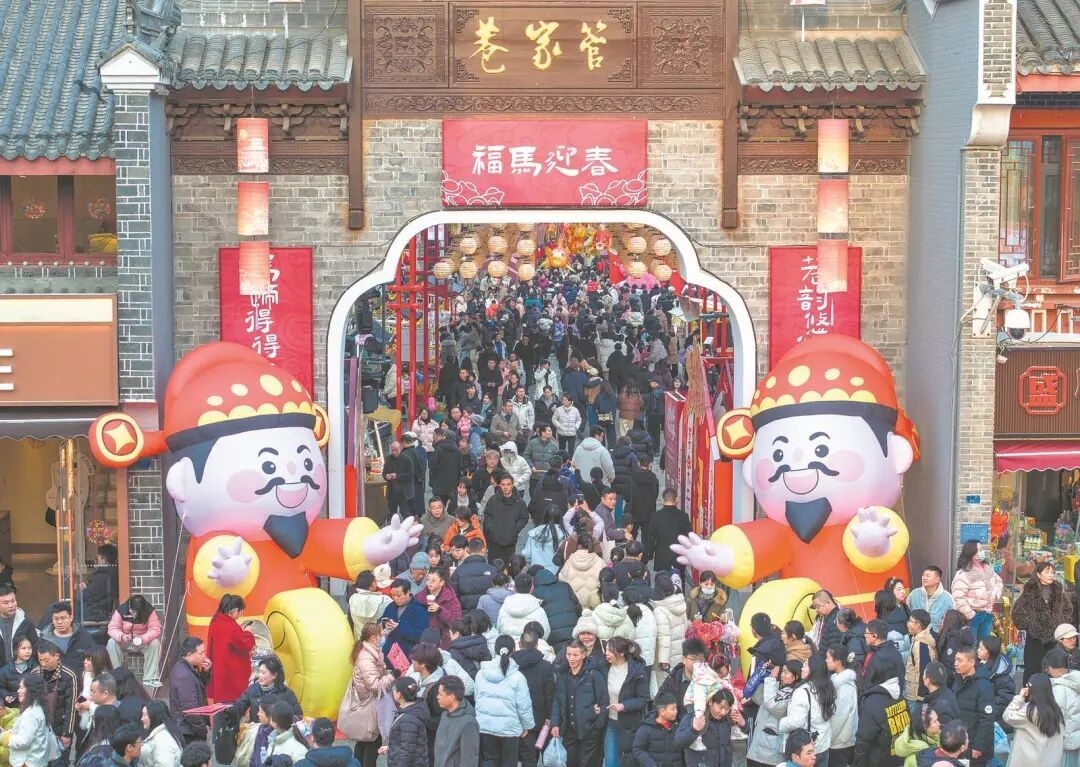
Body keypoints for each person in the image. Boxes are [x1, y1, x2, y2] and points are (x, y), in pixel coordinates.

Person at [339, 623, 394, 767]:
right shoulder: (367, 657)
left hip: (367, 703)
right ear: (373, 638)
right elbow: (375, 685)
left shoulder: (370, 652)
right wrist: (392, 676)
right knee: (372, 742)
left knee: (363, 742)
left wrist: (387, 673)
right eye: (380, 635)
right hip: (370, 704)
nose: (382, 638)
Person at [474, 635, 534, 765]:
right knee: (509, 762)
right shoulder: (518, 677)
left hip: (486, 725)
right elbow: (524, 706)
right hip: (510, 728)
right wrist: (527, 725)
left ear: (494, 649)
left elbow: (477, 698)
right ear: (513, 650)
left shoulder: (481, 674)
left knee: (489, 760)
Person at [1013, 561, 1074, 684]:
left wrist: (1060, 624)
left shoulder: (1058, 590)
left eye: (1052, 572)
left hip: (1053, 638)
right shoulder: (1030, 591)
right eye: (1047, 572)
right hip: (1035, 638)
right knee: (1033, 669)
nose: (1051, 575)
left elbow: (1068, 609)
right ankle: (1030, 693)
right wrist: (1030, 625)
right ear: (1039, 574)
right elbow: (1018, 612)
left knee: (1054, 669)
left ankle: (1052, 694)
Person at [551, 639, 608, 767]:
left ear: (584, 655)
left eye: (575, 655)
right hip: (569, 732)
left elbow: (604, 702)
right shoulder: (563, 675)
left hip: (590, 732)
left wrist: (597, 727)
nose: (571, 658)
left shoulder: (594, 674)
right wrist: (555, 723)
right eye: (569, 654)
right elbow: (557, 701)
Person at [852, 656, 906, 767]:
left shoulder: (872, 703)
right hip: (899, 756)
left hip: (878, 760)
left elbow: (863, 740)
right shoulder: (901, 697)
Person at [603, 636, 650, 767]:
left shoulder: (636, 671)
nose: (606, 653)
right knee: (610, 761)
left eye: (610, 650)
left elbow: (644, 699)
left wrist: (624, 706)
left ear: (622, 653)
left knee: (627, 761)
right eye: (606, 649)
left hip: (629, 723)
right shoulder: (604, 667)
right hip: (610, 721)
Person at [512, 627, 554, 767]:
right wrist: (550, 716)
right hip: (540, 719)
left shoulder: (511, 665)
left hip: (516, 719)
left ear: (519, 644)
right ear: (537, 645)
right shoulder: (546, 666)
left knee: (524, 759)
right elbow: (550, 695)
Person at [31, 639, 78, 764]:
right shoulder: (35, 673)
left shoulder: (69, 676)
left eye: (46, 660)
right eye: (40, 660)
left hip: (59, 729)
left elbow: (71, 708)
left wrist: (67, 733)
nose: (43, 664)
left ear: (57, 656)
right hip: (39, 730)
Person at [1003, 672, 1064, 767]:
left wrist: (1019, 698)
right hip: (1051, 761)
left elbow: (1008, 716)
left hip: (1029, 761)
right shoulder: (1056, 710)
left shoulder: (1030, 711)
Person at [205, 594, 256, 704]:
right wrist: (248, 632)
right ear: (235, 611)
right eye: (240, 612)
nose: (240, 615)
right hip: (231, 675)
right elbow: (245, 644)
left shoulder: (216, 621)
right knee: (233, 704)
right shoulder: (231, 627)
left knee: (221, 705)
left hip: (219, 670)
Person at [747, 660, 799, 767]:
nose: (782, 675)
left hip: (770, 750)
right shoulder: (777, 686)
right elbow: (757, 698)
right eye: (782, 672)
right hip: (759, 742)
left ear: (796, 676)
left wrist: (771, 680)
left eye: (786, 672)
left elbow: (772, 705)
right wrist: (763, 675)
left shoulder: (794, 694)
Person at [949, 647, 993, 767]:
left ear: (972, 662)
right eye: (955, 660)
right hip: (958, 741)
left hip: (973, 745)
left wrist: (979, 746)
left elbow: (987, 719)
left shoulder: (984, 686)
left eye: (960, 660)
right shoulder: (957, 680)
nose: (956, 663)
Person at [674, 688, 741, 767]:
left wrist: (743, 724)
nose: (723, 712)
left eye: (727, 709)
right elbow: (678, 743)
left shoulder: (728, 719)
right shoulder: (694, 717)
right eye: (720, 707)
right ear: (710, 702)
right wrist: (694, 730)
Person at [105, 595, 162, 689]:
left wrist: (143, 638)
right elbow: (112, 628)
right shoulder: (121, 610)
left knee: (155, 643)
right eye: (132, 611)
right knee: (111, 642)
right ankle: (116, 676)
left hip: (142, 641)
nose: (134, 614)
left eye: (136, 612)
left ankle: (150, 678)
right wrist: (122, 636)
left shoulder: (149, 611)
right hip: (124, 641)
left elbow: (155, 629)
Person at [951, 540, 1002, 640]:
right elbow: (958, 597)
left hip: (987, 613)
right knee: (971, 645)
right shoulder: (964, 573)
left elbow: (998, 581)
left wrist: (995, 595)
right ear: (971, 552)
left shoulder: (988, 568)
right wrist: (971, 615)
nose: (982, 552)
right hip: (973, 616)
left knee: (984, 645)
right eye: (979, 550)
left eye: (982, 549)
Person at [2, 675, 57, 767]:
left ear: (31, 690)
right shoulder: (37, 708)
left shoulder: (31, 714)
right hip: (35, 761)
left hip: (27, 762)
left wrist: (4, 737)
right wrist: (7, 732)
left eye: (22, 688)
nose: (18, 691)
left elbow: (23, 741)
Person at [168, 638, 211, 746]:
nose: (204, 656)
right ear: (189, 654)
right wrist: (202, 730)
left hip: (189, 727)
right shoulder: (184, 675)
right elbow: (191, 709)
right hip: (188, 730)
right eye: (200, 653)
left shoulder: (189, 667)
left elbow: (199, 687)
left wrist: (205, 671)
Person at [232, 656, 301, 721]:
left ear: (274, 675)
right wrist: (230, 711)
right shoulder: (253, 689)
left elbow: (298, 716)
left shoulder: (286, 693)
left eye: (263, 673)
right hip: (255, 727)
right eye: (259, 672)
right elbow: (240, 706)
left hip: (277, 728)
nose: (260, 675)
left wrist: (279, 723)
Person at [652, 573, 689, 692]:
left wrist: (663, 661)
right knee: (677, 684)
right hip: (679, 651)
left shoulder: (660, 610)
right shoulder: (680, 604)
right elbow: (685, 627)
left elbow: (663, 637)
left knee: (665, 689)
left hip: (667, 656)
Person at [1042, 647, 1080, 767]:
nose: (1048, 672)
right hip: (1076, 739)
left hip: (1064, 742)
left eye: (1048, 669)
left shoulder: (1060, 689)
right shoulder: (1075, 681)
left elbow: (1054, 718)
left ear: (1056, 668)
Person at [382, 677, 430, 767]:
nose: (392, 692)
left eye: (394, 689)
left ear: (399, 694)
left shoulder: (408, 719)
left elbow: (407, 752)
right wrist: (390, 748)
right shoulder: (413, 710)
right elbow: (407, 742)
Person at [433, 676, 480, 767]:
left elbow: (469, 761)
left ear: (451, 697)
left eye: (440, 694)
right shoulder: (444, 715)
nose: (437, 697)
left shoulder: (469, 723)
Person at [483, 474, 530, 565]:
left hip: (510, 542)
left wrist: (515, 529)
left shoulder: (520, 503)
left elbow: (524, 518)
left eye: (508, 484)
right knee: (493, 567)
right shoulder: (493, 500)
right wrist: (491, 528)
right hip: (494, 541)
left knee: (508, 568)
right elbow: (487, 515)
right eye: (503, 484)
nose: (505, 487)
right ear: (499, 485)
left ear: (512, 485)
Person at [658, 639, 708, 720]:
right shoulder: (672, 681)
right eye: (693, 659)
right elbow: (658, 707)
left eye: (701, 659)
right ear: (684, 659)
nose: (698, 663)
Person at [381, 578, 430, 661]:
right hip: (389, 652)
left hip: (408, 655)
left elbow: (420, 635)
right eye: (393, 595)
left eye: (399, 595)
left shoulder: (420, 610)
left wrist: (398, 627)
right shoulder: (391, 606)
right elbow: (381, 621)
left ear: (408, 592)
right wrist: (385, 624)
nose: (395, 598)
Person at [630, 691, 682, 767]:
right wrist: (651, 764)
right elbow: (638, 750)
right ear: (662, 711)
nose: (676, 711)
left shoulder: (679, 726)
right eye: (673, 709)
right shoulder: (645, 728)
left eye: (676, 708)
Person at [416, 567, 463, 650]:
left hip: (444, 640)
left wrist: (440, 610)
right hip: (424, 639)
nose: (429, 583)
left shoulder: (450, 598)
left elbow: (456, 621)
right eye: (428, 579)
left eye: (433, 580)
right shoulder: (419, 597)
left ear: (442, 582)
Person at [41, 602, 95, 674]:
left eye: (63, 618)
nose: (59, 622)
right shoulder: (44, 639)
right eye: (56, 619)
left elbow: (93, 659)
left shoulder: (83, 636)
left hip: (80, 679)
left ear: (71, 617)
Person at [826, 644, 857, 767]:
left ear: (838, 661)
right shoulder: (836, 680)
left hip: (840, 742)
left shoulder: (844, 687)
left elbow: (839, 718)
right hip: (840, 740)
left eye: (828, 658)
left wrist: (828, 739)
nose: (826, 660)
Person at [647, 489, 691, 574]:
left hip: (661, 555)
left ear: (663, 500)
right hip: (678, 554)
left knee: (662, 579)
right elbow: (688, 536)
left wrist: (650, 554)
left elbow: (651, 538)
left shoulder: (656, 516)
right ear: (676, 500)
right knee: (679, 578)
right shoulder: (684, 516)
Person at [976, 635, 1015, 724]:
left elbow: (1002, 703)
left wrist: (984, 715)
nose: (978, 650)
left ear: (989, 652)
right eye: (978, 647)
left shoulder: (1004, 678)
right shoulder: (976, 664)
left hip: (993, 721)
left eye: (981, 648)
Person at [559, 533, 604, 610]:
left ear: (579, 546)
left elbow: (561, 580)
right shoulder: (600, 562)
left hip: (575, 606)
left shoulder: (569, 562)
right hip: (595, 606)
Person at [906, 567, 955, 634]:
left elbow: (952, 620)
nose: (924, 578)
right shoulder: (914, 594)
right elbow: (906, 613)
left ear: (937, 579)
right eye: (923, 575)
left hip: (937, 636)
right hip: (915, 635)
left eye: (928, 576)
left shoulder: (947, 598)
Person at [450, 539, 494, 613]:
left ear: (467, 549)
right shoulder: (492, 570)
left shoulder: (458, 571)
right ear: (483, 550)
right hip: (486, 614)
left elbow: (454, 597)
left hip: (465, 614)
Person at [0, 584, 38, 667]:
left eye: (13, 601)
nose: (11, 605)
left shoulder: (26, 622)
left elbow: (36, 647)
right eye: (5, 603)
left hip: (23, 670)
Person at [862, 619, 904, 692]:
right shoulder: (895, 651)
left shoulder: (877, 657)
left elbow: (868, 684)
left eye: (866, 633)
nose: (865, 636)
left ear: (874, 636)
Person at [893, 702, 940, 767]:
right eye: (935, 721)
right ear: (925, 726)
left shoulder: (936, 736)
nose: (939, 724)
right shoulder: (916, 757)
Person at [905, 610, 937, 702]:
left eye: (910, 621)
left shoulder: (921, 645)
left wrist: (920, 696)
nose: (907, 623)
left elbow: (923, 671)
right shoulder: (920, 638)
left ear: (918, 625)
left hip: (916, 695)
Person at [138, 701, 182, 767]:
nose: (142, 719)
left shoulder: (162, 740)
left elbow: (164, 764)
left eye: (145, 715)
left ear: (154, 716)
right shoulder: (160, 735)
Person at [0, 635, 38, 706]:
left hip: (31, 706)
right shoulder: (4, 671)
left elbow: (37, 689)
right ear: (15, 651)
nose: (27, 651)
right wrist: (6, 696)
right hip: (12, 707)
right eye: (23, 648)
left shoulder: (36, 668)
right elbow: (1, 688)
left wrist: (14, 696)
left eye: (29, 648)